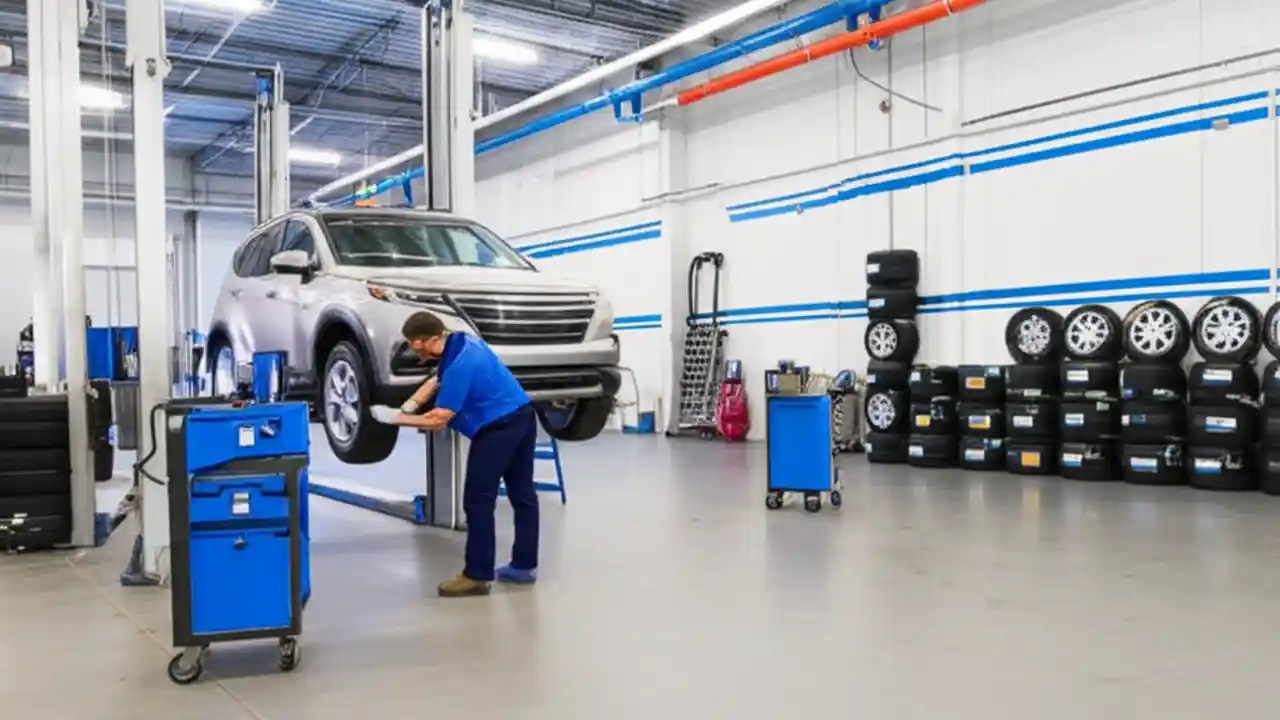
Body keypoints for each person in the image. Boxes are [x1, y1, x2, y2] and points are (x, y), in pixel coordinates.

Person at [373, 311, 539, 598]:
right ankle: (523, 566)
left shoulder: (460, 367)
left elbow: (439, 420)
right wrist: (410, 405)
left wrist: (393, 419)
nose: (415, 350)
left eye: (417, 344)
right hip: (522, 416)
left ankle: (476, 575)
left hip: (497, 428)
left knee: (477, 499)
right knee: (523, 494)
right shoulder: (462, 342)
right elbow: (435, 380)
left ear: (433, 338)